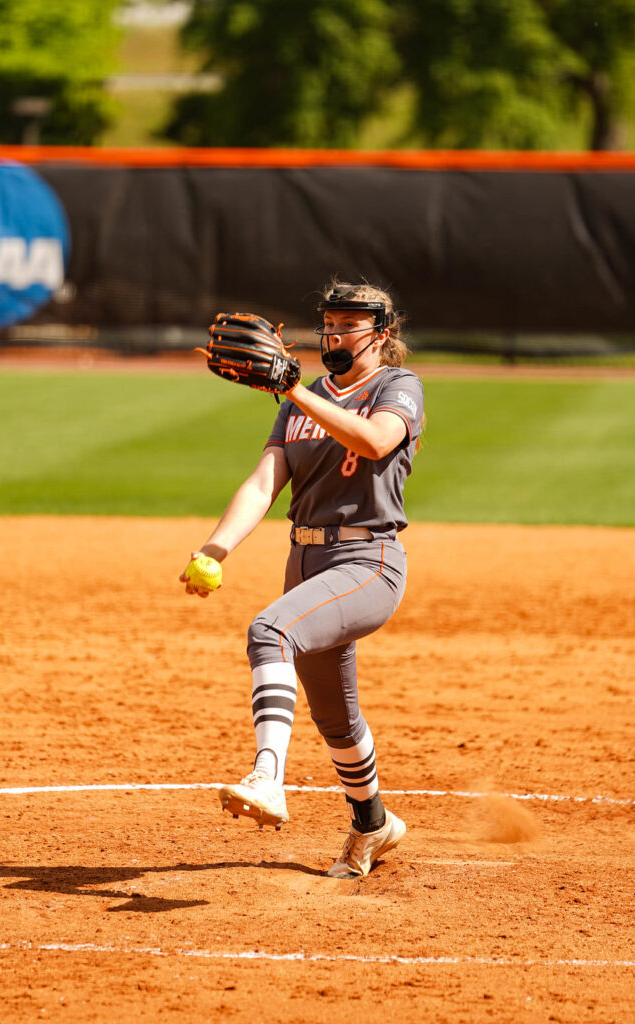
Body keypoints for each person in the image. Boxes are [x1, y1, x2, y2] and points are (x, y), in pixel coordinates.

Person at [180, 281, 425, 879]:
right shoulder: (302, 400)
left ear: (381, 334)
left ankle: (267, 776)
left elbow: (372, 440)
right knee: (335, 716)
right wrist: (215, 549)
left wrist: (292, 388)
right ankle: (373, 825)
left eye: (350, 324)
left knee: (270, 630)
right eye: (330, 324)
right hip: (305, 562)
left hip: (368, 563)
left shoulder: (398, 387)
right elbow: (265, 482)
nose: (336, 335)